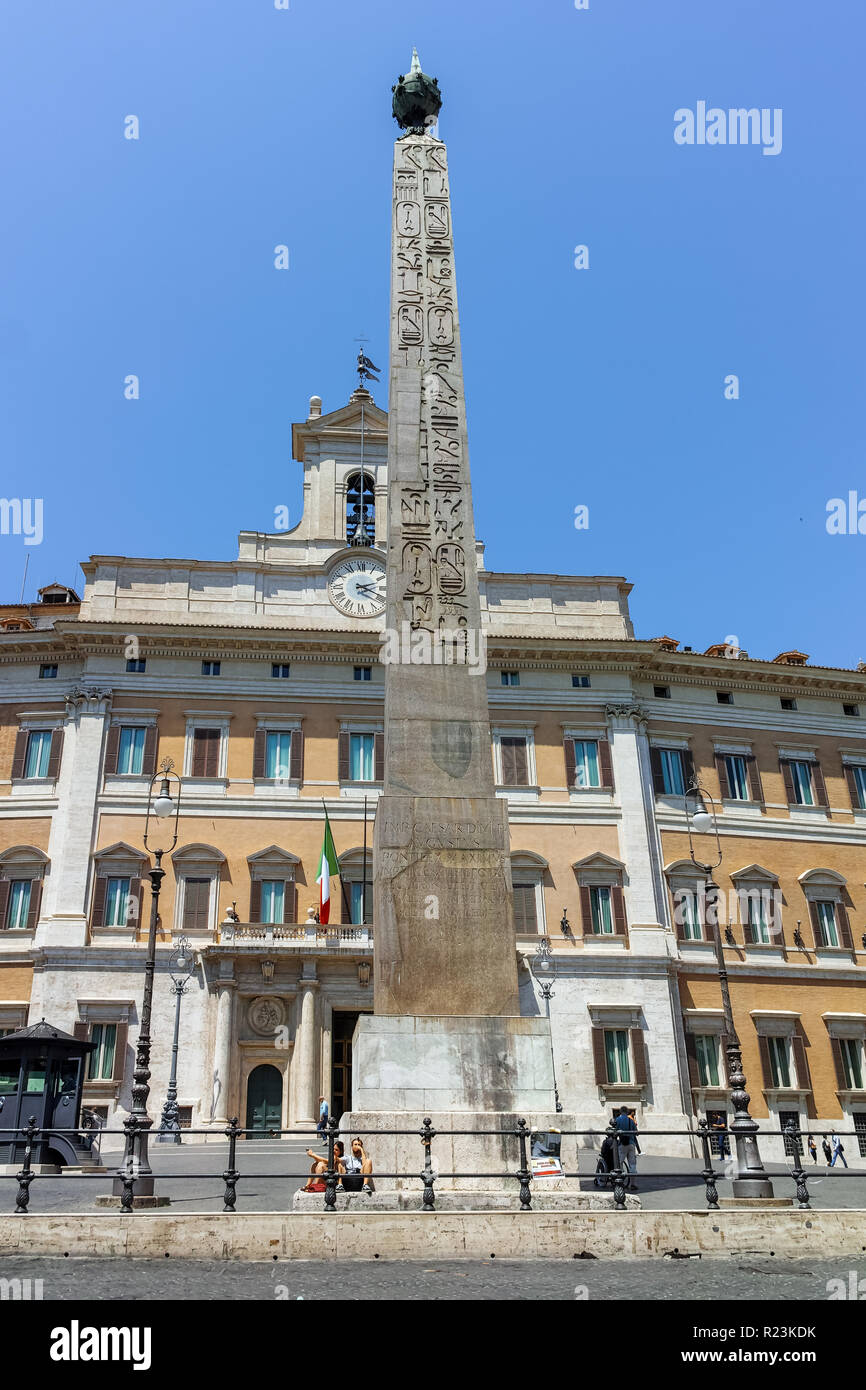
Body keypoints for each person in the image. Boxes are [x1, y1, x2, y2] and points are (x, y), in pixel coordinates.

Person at [613, 1107, 640, 1190]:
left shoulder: (617, 1120)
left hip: (622, 1144)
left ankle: (621, 1180)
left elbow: (614, 1133)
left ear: (620, 1112)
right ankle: (633, 1184)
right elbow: (636, 1132)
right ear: (627, 1112)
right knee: (632, 1164)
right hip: (631, 1144)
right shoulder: (630, 1120)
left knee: (620, 1163)